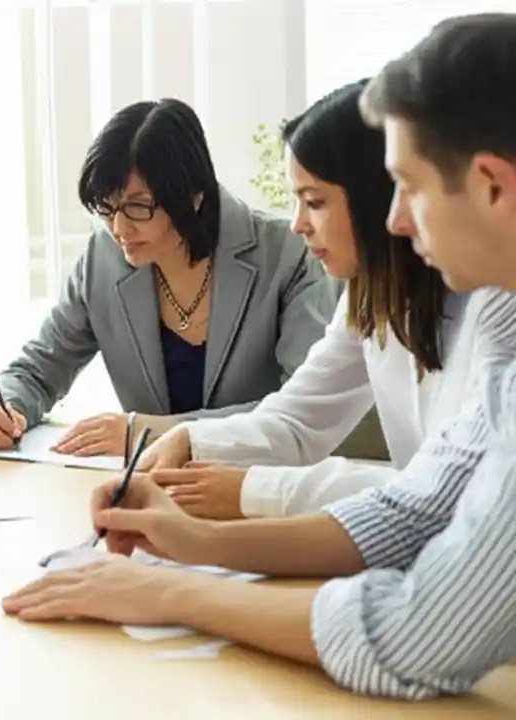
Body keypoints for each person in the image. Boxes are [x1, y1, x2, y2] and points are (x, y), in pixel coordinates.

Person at [3, 14, 516, 700]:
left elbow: (416, 631)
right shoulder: (494, 316)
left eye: (410, 188)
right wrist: (191, 541)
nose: (397, 219)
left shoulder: (478, 311)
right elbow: (417, 506)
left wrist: (172, 591)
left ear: (492, 185)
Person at [133, 81, 488, 520]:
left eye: (314, 202)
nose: (298, 225)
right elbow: (299, 418)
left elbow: (452, 487)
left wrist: (255, 491)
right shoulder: (369, 296)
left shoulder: (490, 306)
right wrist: (191, 440)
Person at [0, 98, 338, 457]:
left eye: (138, 206)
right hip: (149, 489)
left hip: (260, 488)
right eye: (106, 207)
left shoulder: (287, 254)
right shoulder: (103, 259)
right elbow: (37, 371)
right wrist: (3, 406)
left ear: (193, 195)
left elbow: (301, 410)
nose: (118, 227)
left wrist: (151, 431)